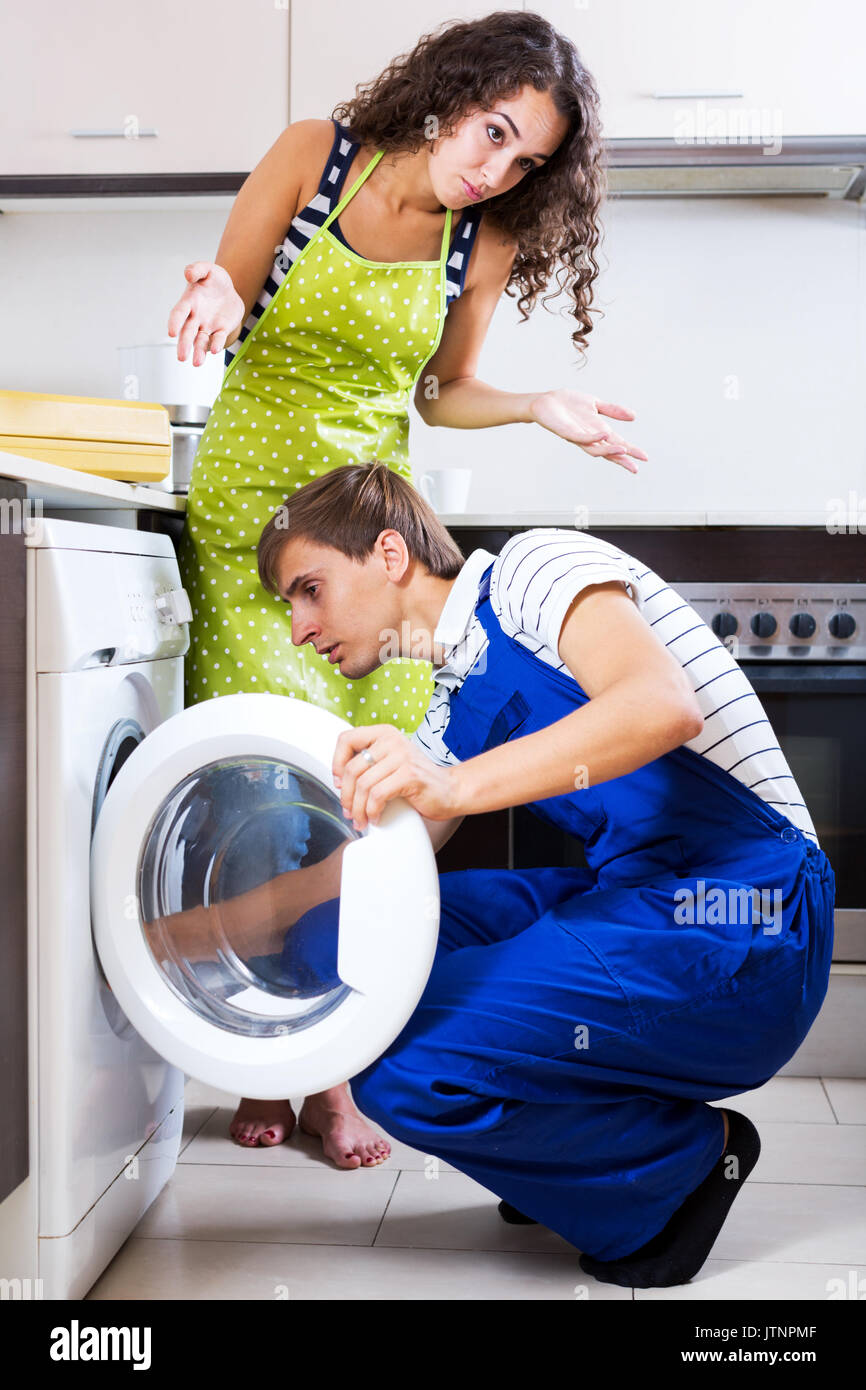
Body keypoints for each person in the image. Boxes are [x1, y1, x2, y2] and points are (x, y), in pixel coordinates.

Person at [165, 11, 649, 1164]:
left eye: (523, 159)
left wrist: (535, 404)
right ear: (454, 91)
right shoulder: (311, 158)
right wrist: (216, 302)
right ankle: (259, 1050)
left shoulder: (475, 242)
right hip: (249, 530)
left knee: (367, 803)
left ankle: (335, 1068)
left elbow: (440, 393)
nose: (494, 168)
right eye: (491, 132)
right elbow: (229, 298)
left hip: (373, 542)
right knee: (261, 799)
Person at [239, 460, 833, 1289]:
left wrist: (447, 783)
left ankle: (682, 1166)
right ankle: (573, 1142)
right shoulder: (450, 706)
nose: (300, 626)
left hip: (748, 915)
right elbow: (355, 877)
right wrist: (151, 930)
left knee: (399, 1064)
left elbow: (660, 706)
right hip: (631, 900)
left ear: (387, 554)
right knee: (342, 937)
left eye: (310, 588)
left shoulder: (535, 569)